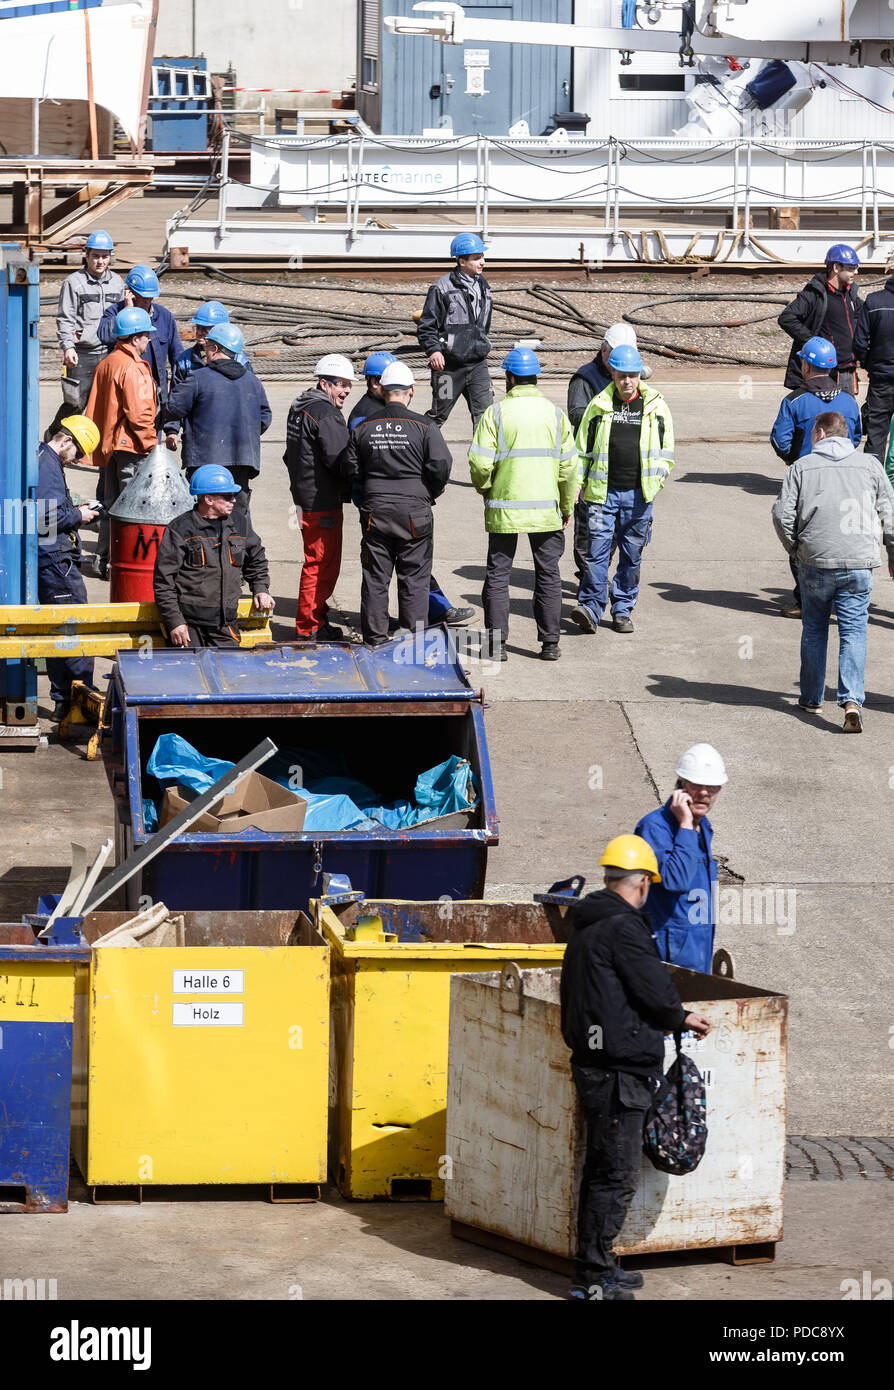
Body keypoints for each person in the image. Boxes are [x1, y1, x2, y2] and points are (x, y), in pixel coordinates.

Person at [560, 834, 712, 1302]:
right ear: (643, 882)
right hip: (618, 1072)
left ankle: (598, 1264)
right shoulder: (625, 928)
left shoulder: (586, 923)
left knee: (602, 1170)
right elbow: (652, 988)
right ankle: (593, 1278)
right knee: (616, 1174)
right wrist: (682, 1016)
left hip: (595, 1062)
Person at [772, 411, 894, 732]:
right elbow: (889, 513)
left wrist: (795, 550)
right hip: (859, 564)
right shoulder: (870, 466)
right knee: (854, 632)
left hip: (816, 562)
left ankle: (812, 699)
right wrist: (892, 554)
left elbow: (781, 515)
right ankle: (852, 701)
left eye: (814, 433)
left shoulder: (802, 467)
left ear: (822, 434)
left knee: (814, 629)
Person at [349, 350, 474, 629]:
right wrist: (429, 492)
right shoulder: (425, 426)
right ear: (412, 391)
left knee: (375, 578)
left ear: (383, 390)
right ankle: (414, 639)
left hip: (376, 511)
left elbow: (351, 468)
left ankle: (375, 638)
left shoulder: (364, 426)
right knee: (415, 578)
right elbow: (441, 465)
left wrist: (370, 493)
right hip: (415, 511)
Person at [469, 347, 577, 661]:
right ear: (535, 378)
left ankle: (497, 646)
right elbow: (569, 468)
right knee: (548, 575)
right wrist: (566, 506)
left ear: (510, 377)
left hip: (505, 509)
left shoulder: (496, 413)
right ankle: (550, 644)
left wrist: (486, 490)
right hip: (546, 512)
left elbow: (479, 464)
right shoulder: (555, 415)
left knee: (498, 575)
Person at [571, 343, 674, 637]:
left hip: (639, 498)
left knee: (631, 556)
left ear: (639, 375)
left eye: (632, 375)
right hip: (603, 495)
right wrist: (578, 484)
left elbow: (667, 450)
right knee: (596, 554)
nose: (627, 381)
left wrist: (658, 479)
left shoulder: (656, 406)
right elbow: (582, 451)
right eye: (621, 376)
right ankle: (590, 609)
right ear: (612, 374)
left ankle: (622, 610)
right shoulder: (599, 406)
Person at [770, 336, 862, 618]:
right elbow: (856, 438)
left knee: (801, 535)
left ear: (807, 366)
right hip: (844, 480)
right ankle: (837, 597)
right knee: (836, 536)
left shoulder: (794, 400)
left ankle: (806, 599)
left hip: (806, 479)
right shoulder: (848, 400)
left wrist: (792, 459)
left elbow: (780, 439)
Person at [153, 465, 274, 649]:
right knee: (189, 675)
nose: (233, 500)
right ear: (208, 499)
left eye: (233, 496)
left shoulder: (240, 523)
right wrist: (175, 621)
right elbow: (164, 581)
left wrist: (261, 588)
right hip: (188, 626)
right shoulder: (180, 529)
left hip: (224, 625)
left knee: (230, 672)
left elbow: (256, 558)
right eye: (227, 496)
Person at [635, 744, 728, 973]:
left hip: (698, 946)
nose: (705, 793)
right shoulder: (655, 828)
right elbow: (676, 880)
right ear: (681, 785)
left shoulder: (702, 825)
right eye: (697, 785)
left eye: (713, 787)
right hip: (667, 953)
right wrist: (685, 826)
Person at [162, 322, 271, 511]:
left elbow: (173, 407)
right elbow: (264, 417)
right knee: (236, 516)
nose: (204, 350)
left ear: (216, 348)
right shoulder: (253, 382)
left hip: (204, 461)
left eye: (207, 346)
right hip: (242, 460)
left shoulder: (198, 378)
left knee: (204, 517)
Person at [283, 353, 354, 641]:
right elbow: (341, 459)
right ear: (324, 383)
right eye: (342, 385)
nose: (347, 390)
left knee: (320, 562)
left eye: (349, 385)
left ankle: (316, 618)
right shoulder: (326, 414)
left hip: (305, 495)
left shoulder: (299, 407)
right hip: (321, 500)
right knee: (320, 563)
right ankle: (309, 627)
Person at [36, 416, 102, 718]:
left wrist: (77, 507)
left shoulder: (45, 458)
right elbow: (45, 521)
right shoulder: (48, 467)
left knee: (61, 628)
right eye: (77, 454)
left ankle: (65, 699)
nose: (76, 460)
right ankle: (80, 704)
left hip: (53, 557)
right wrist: (79, 516)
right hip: (55, 560)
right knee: (74, 628)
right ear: (66, 442)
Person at [85, 306, 158, 579]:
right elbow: (139, 415)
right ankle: (128, 563)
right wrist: (152, 446)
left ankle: (103, 559)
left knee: (111, 504)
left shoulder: (107, 362)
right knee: (132, 507)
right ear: (135, 337)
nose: (149, 340)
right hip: (132, 447)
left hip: (110, 446)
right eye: (146, 335)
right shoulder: (133, 367)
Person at [47, 229, 123, 438]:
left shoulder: (117, 282)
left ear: (110, 257)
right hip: (83, 353)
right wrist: (68, 347)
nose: (100, 261)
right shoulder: (73, 282)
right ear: (86, 255)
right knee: (76, 403)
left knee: (107, 403)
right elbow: (65, 317)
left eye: (104, 256)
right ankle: (55, 437)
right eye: (95, 256)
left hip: (110, 351)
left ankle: (93, 445)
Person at [418, 232, 494, 430]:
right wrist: (434, 350)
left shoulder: (483, 286)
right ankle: (420, 454)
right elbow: (427, 325)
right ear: (461, 261)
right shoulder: (441, 288)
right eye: (477, 258)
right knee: (437, 417)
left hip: (478, 365)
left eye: (482, 257)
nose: (483, 262)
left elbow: (483, 325)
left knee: (485, 419)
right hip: (448, 369)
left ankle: (484, 460)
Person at [97, 264, 184, 416]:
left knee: (151, 437)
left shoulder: (164, 316)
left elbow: (177, 356)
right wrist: (127, 313)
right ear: (130, 292)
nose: (147, 301)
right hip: (122, 396)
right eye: (143, 297)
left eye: (150, 297)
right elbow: (104, 336)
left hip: (155, 396)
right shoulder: (115, 312)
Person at [778, 244, 862, 394]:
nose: (856, 271)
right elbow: (787, 318)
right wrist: (811, 341)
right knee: (821, 416)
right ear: (836, 267)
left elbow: (865, 315)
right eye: (851, 267)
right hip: (823, 372)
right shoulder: (814, 293)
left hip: (847, 371)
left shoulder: (851, 294)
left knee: (846, 414)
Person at [567, 322, 653, 433]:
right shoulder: (585, 378)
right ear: (604, 350)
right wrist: (610, 418)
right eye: (617, 354)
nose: (623, 359)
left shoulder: (633, 377)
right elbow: (575, 414)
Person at [853, 252, 894, 462]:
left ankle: (872, 485)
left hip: (881, 380)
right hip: (881, 375)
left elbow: (860, 343)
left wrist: (871, 364)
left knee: (876, 435)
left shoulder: (874, 301)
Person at [169, 300, 251, 389]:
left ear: (220, 330)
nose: (199, 332)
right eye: (197, 327)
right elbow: (176, 394)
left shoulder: (239, 360)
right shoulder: (185, 360)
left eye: (204, 329)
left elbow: (248, 392)